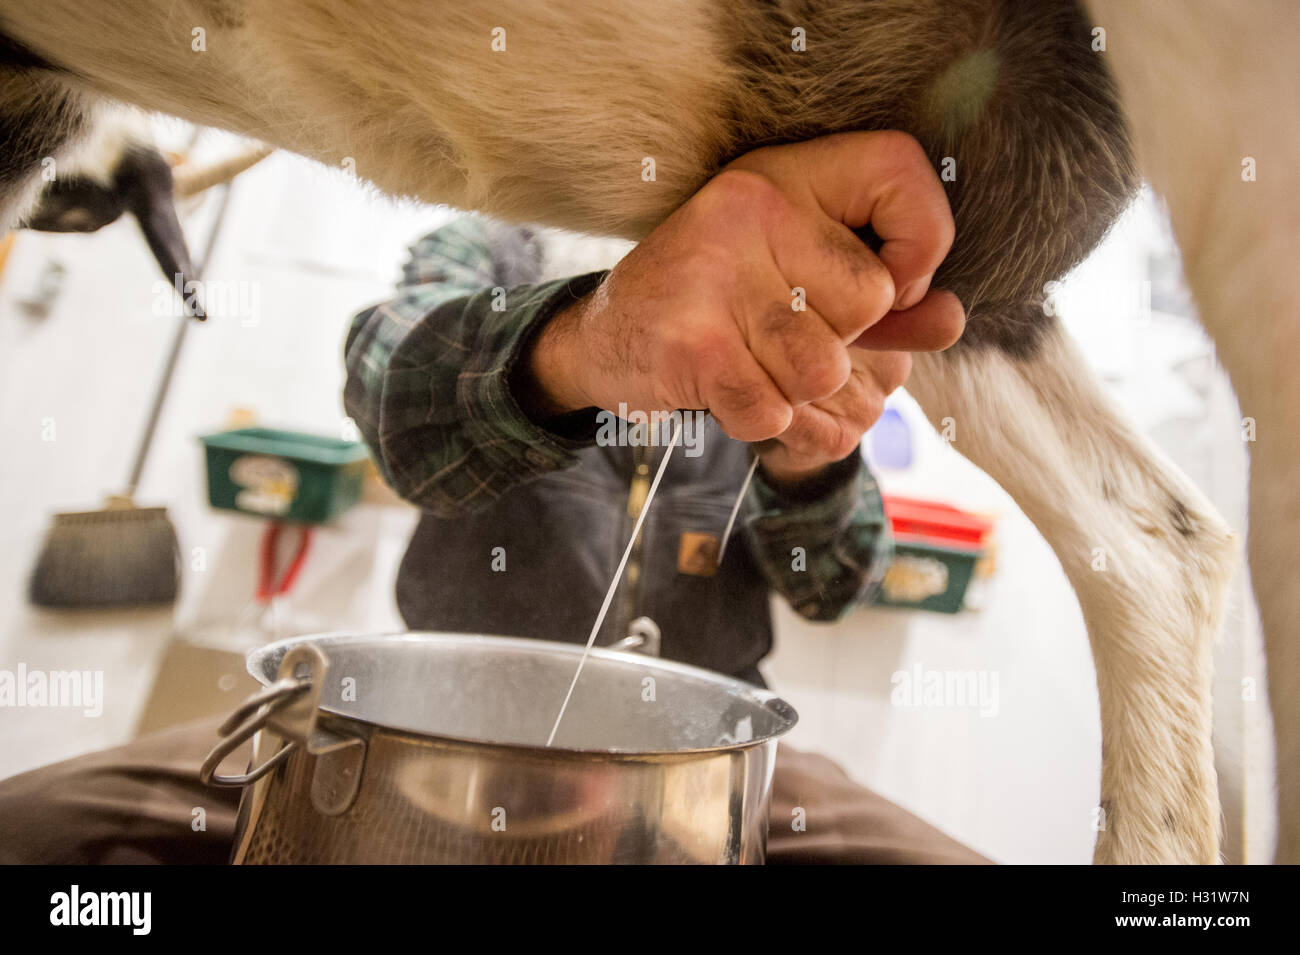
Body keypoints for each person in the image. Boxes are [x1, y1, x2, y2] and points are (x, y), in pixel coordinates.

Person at [0, 132, 986, 864]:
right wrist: (592, 343)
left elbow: (834, 584)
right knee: (36, 830)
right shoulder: (494, 251)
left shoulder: (792, 305)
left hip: (707, 778)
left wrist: (810, 462)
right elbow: (387, 379)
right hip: (407, 751)